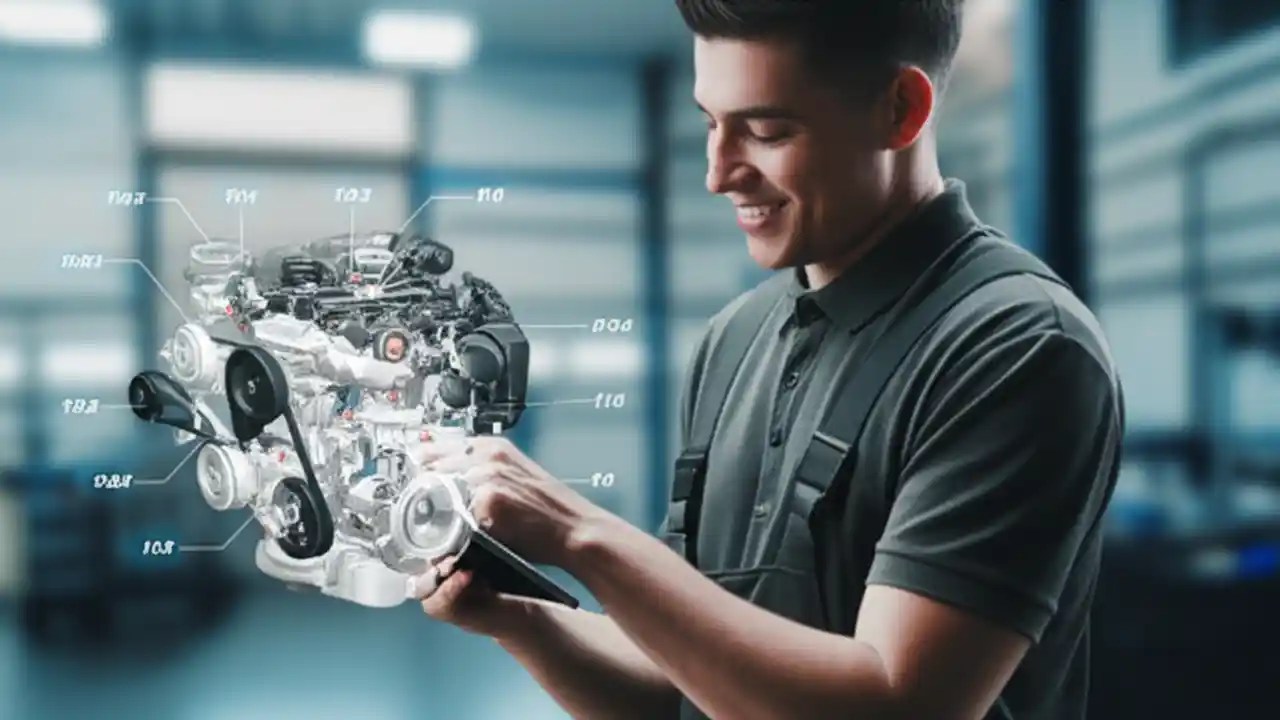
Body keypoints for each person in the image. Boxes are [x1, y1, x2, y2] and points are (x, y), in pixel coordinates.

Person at [414, 1, 1124, 718]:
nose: (718, 174)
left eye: (766, 130)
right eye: (710, 124)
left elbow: (901, 705)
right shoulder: (735, 340)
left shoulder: (1017, 346)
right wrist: (518, 618)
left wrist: (581, 535)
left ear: (901, 111)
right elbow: (683, 688)